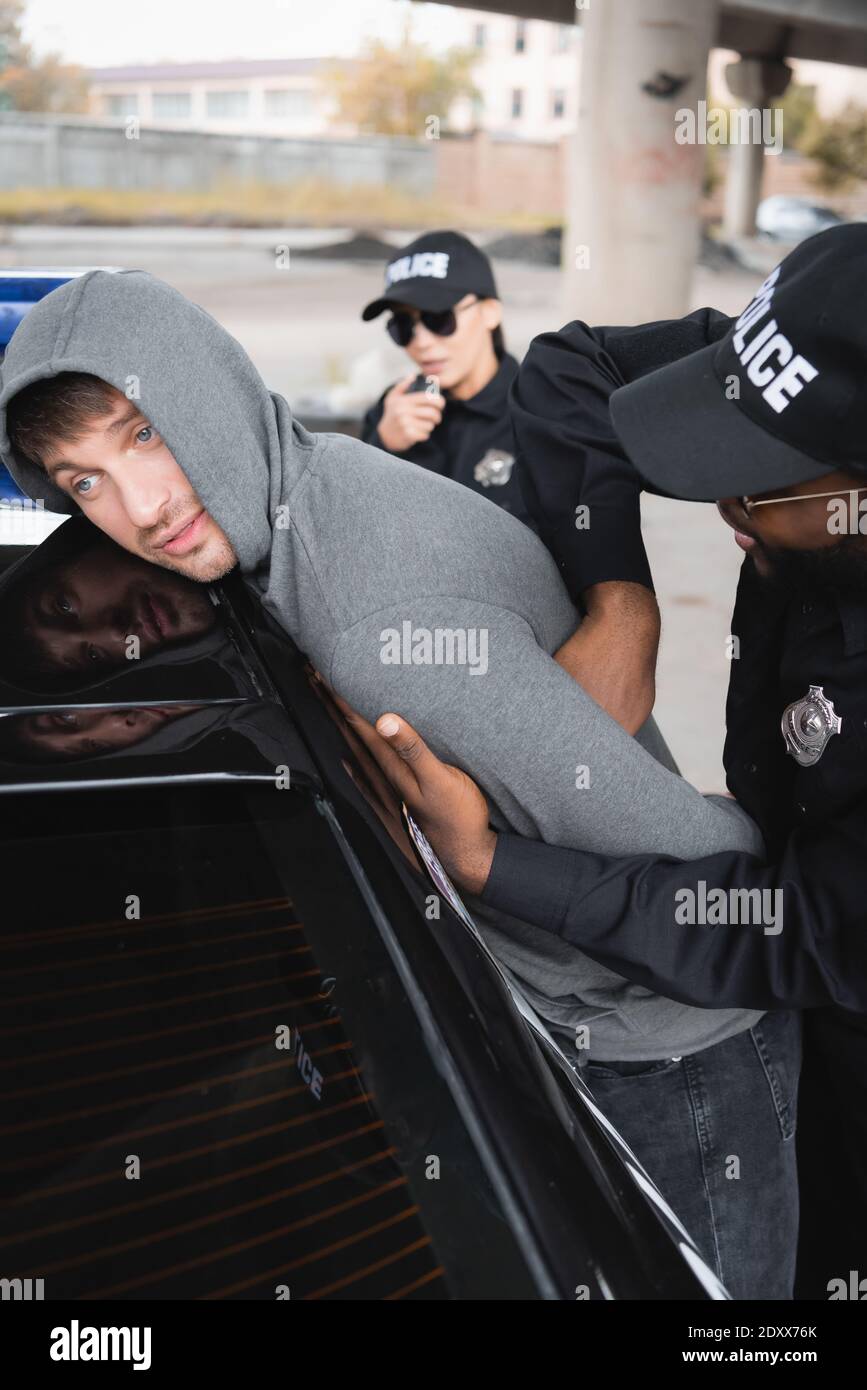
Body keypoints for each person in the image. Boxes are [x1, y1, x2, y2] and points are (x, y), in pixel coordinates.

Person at [1, 268, 792, 1298]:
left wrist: (486, 861)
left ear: (204, 384)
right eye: (83, 481)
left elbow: (715, 885)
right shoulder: (319, 483)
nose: (140, 509)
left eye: (142, 433)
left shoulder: (384, 637)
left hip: (671, 1067)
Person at [340, 224, 867, 1300]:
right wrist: (621, 598)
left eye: (760, 490)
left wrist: (497, 869)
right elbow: (579, 363)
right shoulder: (822, 359)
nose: (727, 509)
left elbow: (805, 931)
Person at [360, 230, 532, 525]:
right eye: (403, 326)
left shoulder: (538, 410)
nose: (422, 342)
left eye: (438, 319)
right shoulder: (393, 410)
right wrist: (382, 446)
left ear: (490, 312)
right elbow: (353, 526)